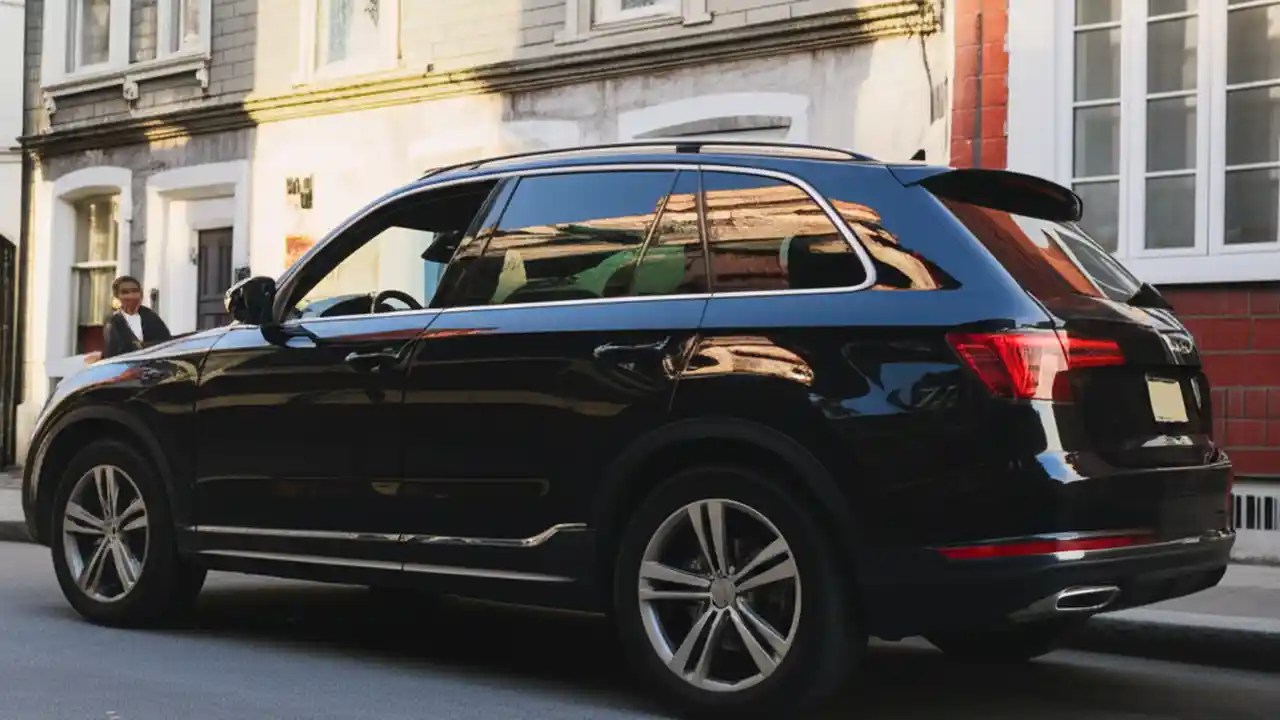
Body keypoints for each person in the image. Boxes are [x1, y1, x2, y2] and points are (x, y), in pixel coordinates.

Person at [101, 275, 172, 359]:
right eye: (125, 292)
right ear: (117, 296)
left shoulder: (150, 316)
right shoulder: (113, 321)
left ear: (141, 294)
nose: (131, 296)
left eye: (135, 291)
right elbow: (113, 351)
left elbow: (166, 343)